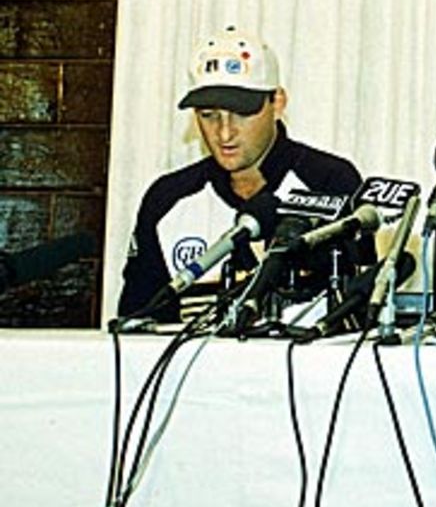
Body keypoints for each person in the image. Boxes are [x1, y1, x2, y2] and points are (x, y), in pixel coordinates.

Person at [117, 26, 366, 322]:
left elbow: (359, 313)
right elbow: (136, 325)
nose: (224, 132)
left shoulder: (330, 182)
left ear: (277, 103)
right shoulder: (168, 199)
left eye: (242, 113)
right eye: (208, 115)